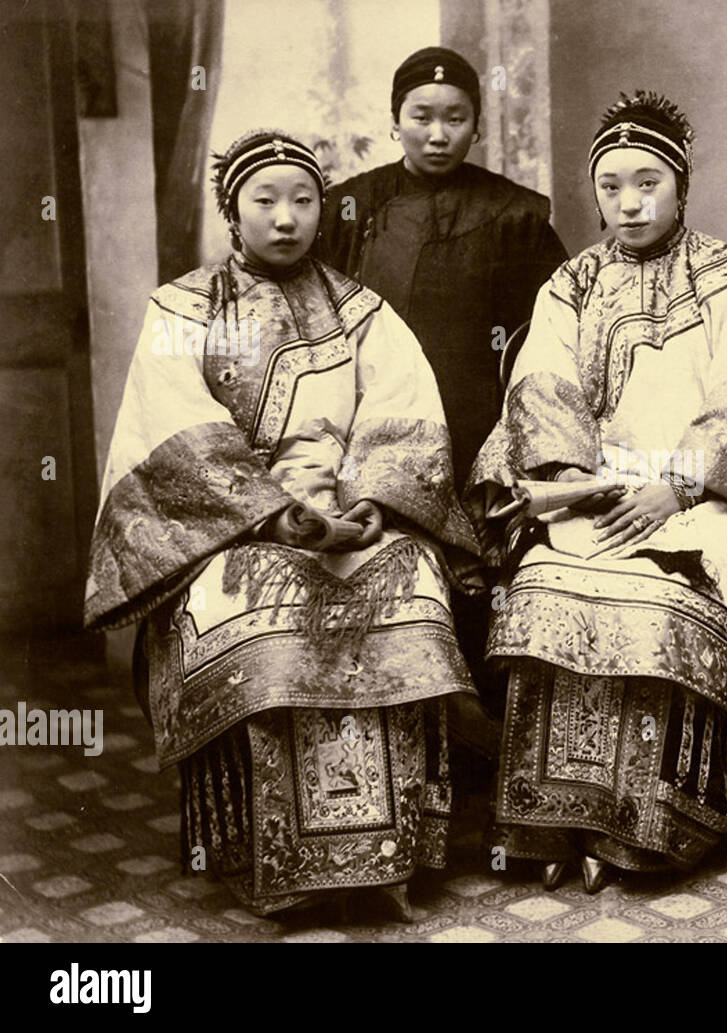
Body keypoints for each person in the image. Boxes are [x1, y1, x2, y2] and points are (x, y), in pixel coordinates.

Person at [84, 129, 482, 918]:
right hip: (236, 525)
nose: (286, 218)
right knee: (248, 609)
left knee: (410, 582)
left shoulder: (362, 310)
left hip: (353, 510)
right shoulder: (182, 308)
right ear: (232, 214)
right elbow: (177, 432)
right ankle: (266, 851)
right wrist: (272, 512)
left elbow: (402, 409)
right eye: (264, 201)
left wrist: (377, 497)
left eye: (302, 199)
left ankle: (391, 854)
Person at [467, 91, 727, 893]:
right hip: (591, 492)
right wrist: (570, 483)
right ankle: (551, 818)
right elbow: (541, 384)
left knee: (656, 594)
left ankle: (648, 823)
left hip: (706, 497)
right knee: (547, 580)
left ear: (681, 185)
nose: (629, 203)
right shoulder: (570, 284)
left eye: (647, 182)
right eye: (610, 186)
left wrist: (675, 486)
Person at [317, 46, 569, 724]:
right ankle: (395, 720)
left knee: (484, 564)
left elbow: (551, 329)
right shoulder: (349, 209)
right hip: (379, 423)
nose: (437, 133)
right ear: (394, 119)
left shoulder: (514, 213)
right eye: (421, 116)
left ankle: (483, 722)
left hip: (480, 417)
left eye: (455, 118)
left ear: (477, 125)